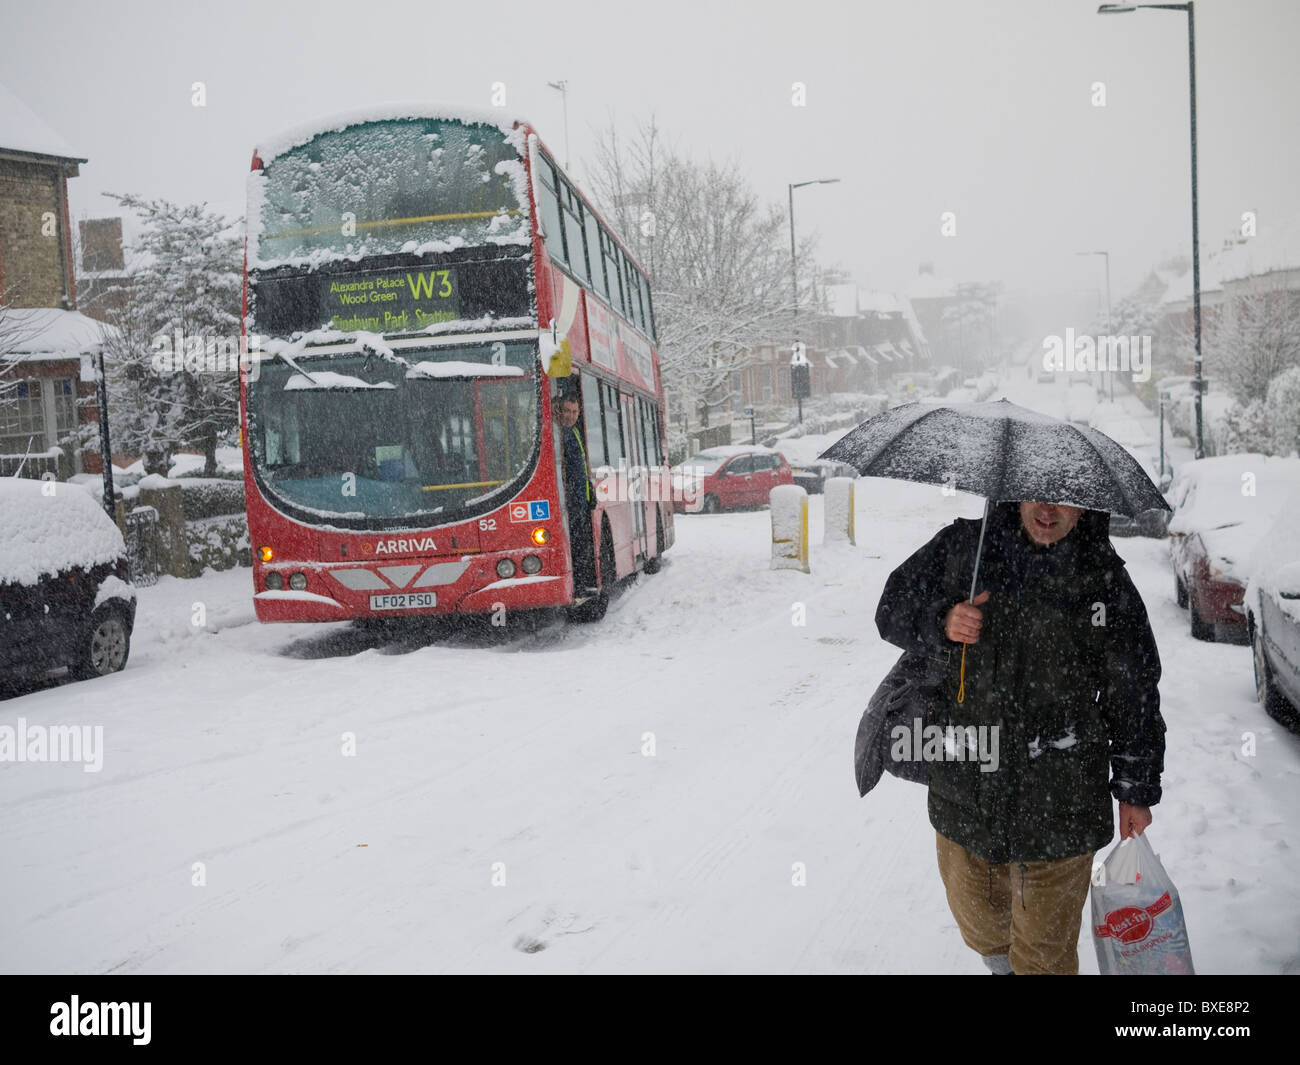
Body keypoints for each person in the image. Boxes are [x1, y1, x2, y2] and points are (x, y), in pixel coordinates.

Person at [874, 499, 1166, 975]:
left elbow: (1132, 688)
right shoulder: (965, 547)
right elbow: (891, 607)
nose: (1047, 511)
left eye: (1064, 500)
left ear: (1085, 507)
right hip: (967, 786)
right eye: (1037, 496)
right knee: (983, 928)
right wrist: (943, 620)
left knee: (1044, 954)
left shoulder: (1103, 579)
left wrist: (1135, 787)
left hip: (1062, 796)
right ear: (1014, 493)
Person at [554, 390, 598, 594]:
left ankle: (582, 585)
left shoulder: (574, 432)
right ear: (559, 411)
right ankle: (578, 587)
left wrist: (589, 491)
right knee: (576, 546)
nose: (570, 416)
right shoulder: (558, 434)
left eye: (574, 411)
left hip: (580, 500)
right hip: (569, 502)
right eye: (566, 411)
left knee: (582, 545)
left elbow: (581, 467)